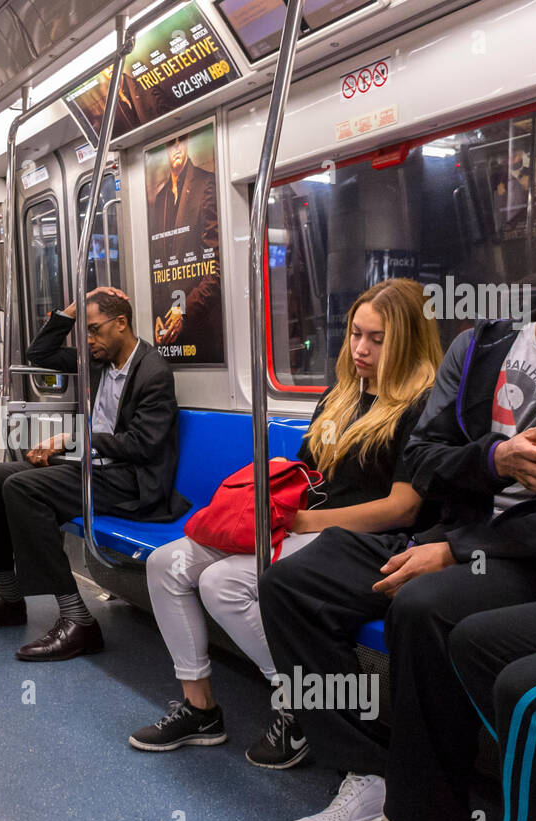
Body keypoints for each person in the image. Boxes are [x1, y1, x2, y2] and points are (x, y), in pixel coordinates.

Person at [256, 221, 536, 821]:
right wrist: (496, 459)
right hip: (450, 528)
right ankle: (369, 768)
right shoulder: (479, 347)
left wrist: (460, 550)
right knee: (291, 583)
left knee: (425, 605)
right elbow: (421, 459)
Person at [130, 279, 442, 759]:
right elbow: (304, 473)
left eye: (377, 340)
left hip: (360, 540)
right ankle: (201, 709)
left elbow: (402, 508)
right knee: (166, 565)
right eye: (356, 334)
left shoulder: (421, 407)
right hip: (301, 524)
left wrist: (305, 524)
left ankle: (301, 706)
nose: (360, 348)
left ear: (408, 341)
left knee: (222, 583)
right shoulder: (340, 396)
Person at [0, 287, 189, 661]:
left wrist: (73, 439)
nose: (88, 340)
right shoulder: (98, 360)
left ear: (121, 324)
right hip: (93, 468)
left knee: (23, 488)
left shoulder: (153, 372)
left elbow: (143, 445)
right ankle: (8, 597)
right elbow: (38, 353)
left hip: (131, 482)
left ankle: (78, 620)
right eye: (86, 332)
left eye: (94, 330)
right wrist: (75, 308)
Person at [148, 134, 222, 358]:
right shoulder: (160, 198)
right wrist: (159, 315)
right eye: (171, 143)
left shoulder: (206, 184)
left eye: (182, 140)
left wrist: (185, 311)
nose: (177, 147)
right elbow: (158, 269)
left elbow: (216, 267)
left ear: (189, 141)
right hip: (170, 334)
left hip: (204, 329)